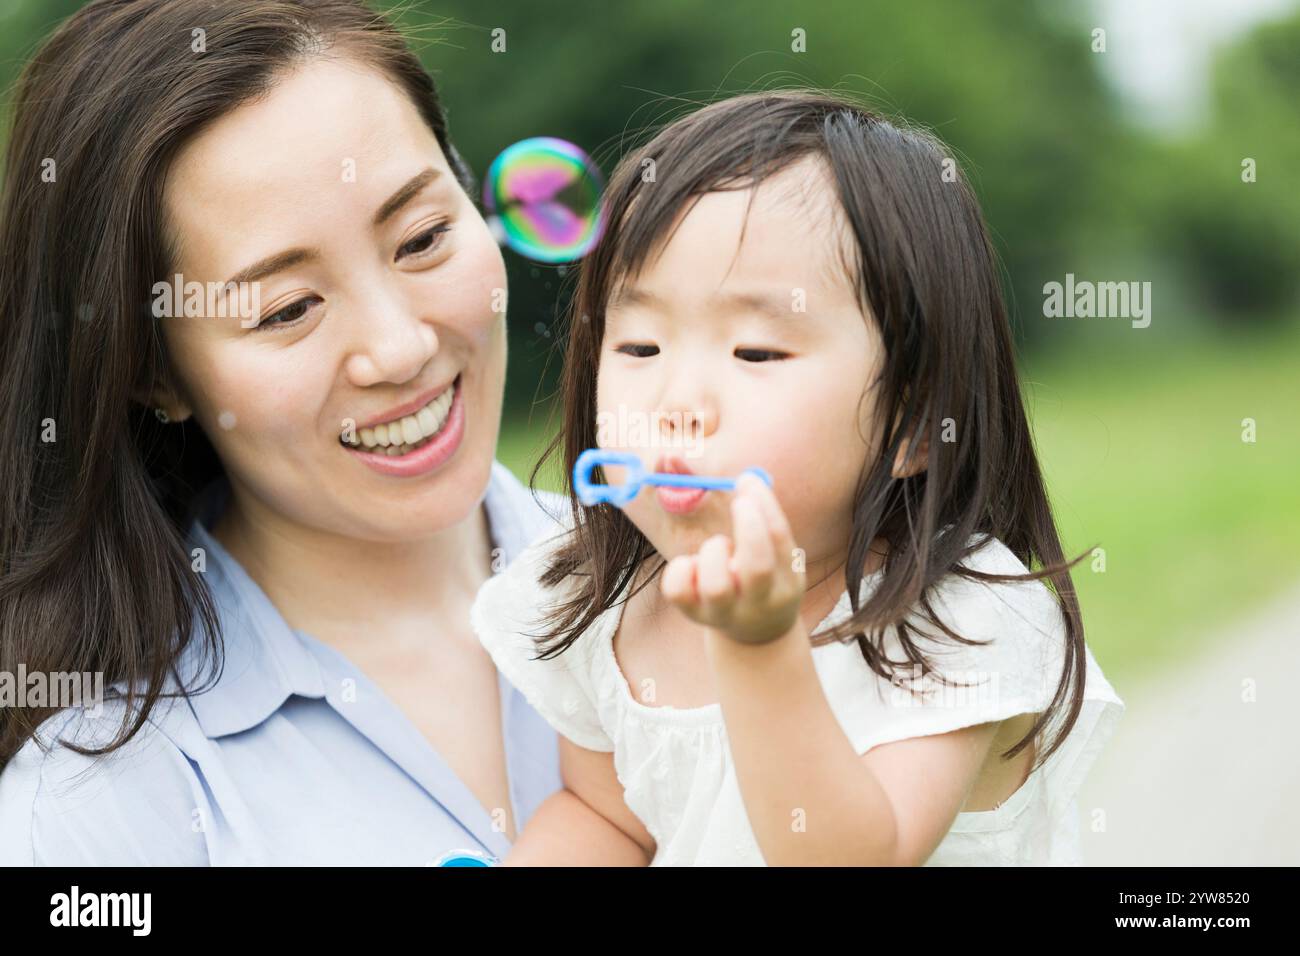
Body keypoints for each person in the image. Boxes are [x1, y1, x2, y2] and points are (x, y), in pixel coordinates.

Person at [472, 90, 1126, 866]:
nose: (677, 403)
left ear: (914, 425)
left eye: (755, 353)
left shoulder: (960, 618)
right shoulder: (605, 605)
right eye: (640, 347)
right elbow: (607, 819)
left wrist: (759, 651)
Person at [0, 0, 571, 864]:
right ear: (156, 374)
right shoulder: (90, 815)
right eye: (289, 309)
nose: (400, 346)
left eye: (421, 238)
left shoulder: (697, 580)